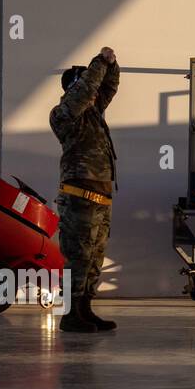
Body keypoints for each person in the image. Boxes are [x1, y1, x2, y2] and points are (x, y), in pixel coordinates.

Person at [50, 46, 120, 333]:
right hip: (79, 200)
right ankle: (69, 315)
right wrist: (99, 61)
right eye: (86, 87)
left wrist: (112, 65)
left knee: (93, 260)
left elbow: (108, 87)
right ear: (74, 89)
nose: (94, 94)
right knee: (77, 258)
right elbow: (85, 92)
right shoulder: (65, 114)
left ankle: (85, 308)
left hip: (100, 200)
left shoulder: (94, 114)